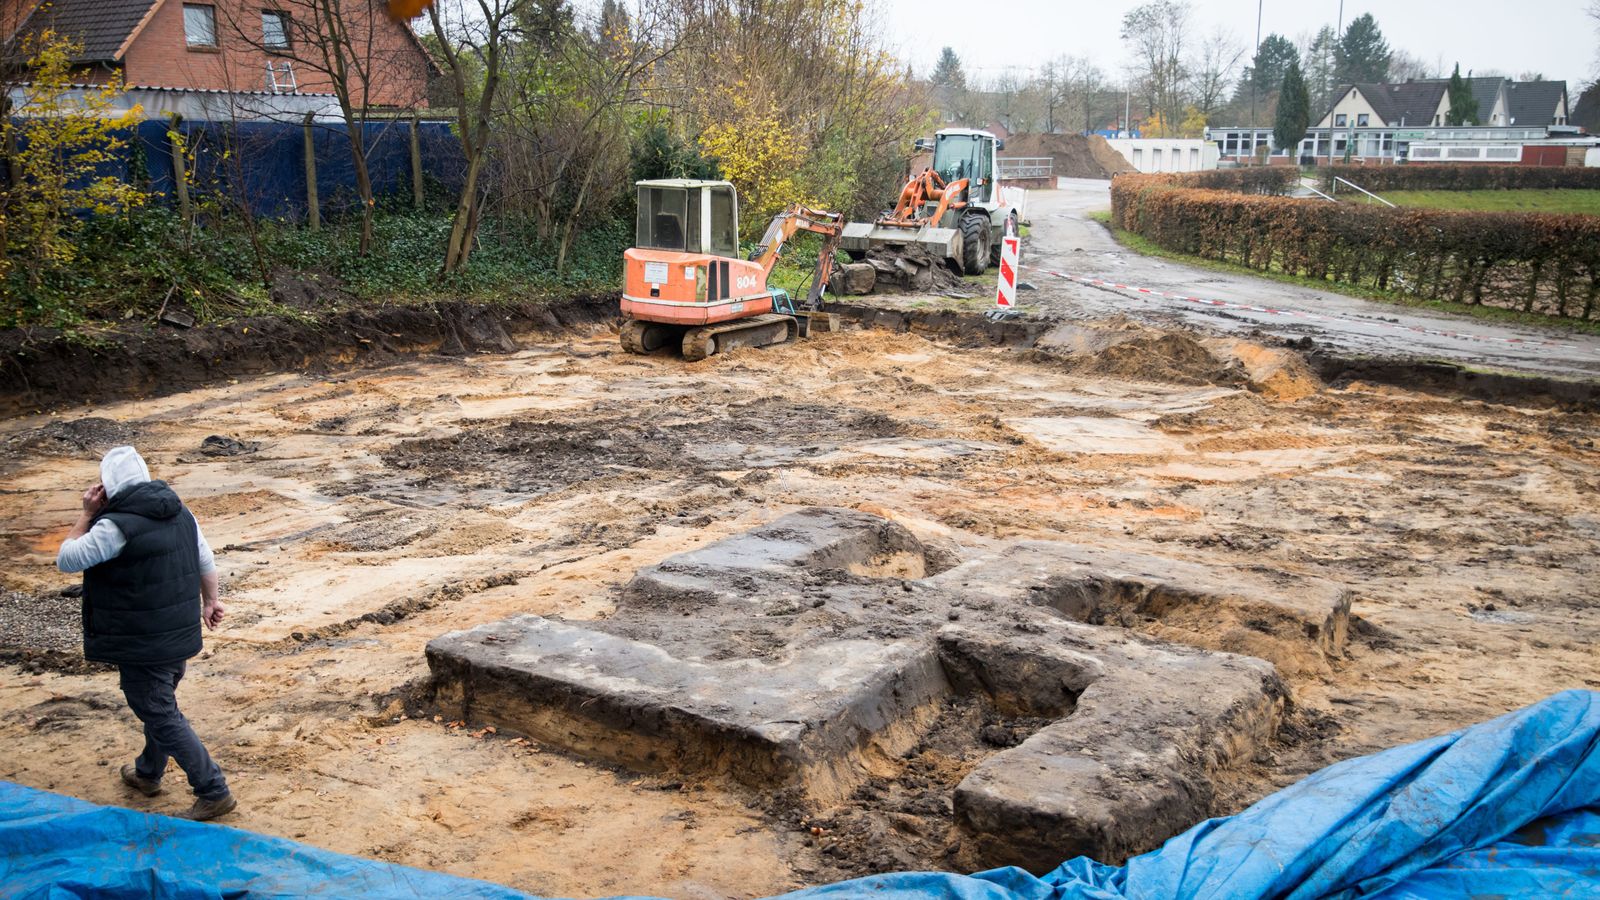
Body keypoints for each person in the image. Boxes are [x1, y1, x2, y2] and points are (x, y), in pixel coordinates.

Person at [57, 446, 237, 821]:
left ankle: (213, 790)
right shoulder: (181, 511)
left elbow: (66, 558)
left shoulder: (114, 526)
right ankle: (147, 773)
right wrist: (210, 602)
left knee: (159, 711)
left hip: (143, 640)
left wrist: (87, 514)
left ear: (108, 486)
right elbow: (205, 560)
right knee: (160, 706)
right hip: (178, 634)